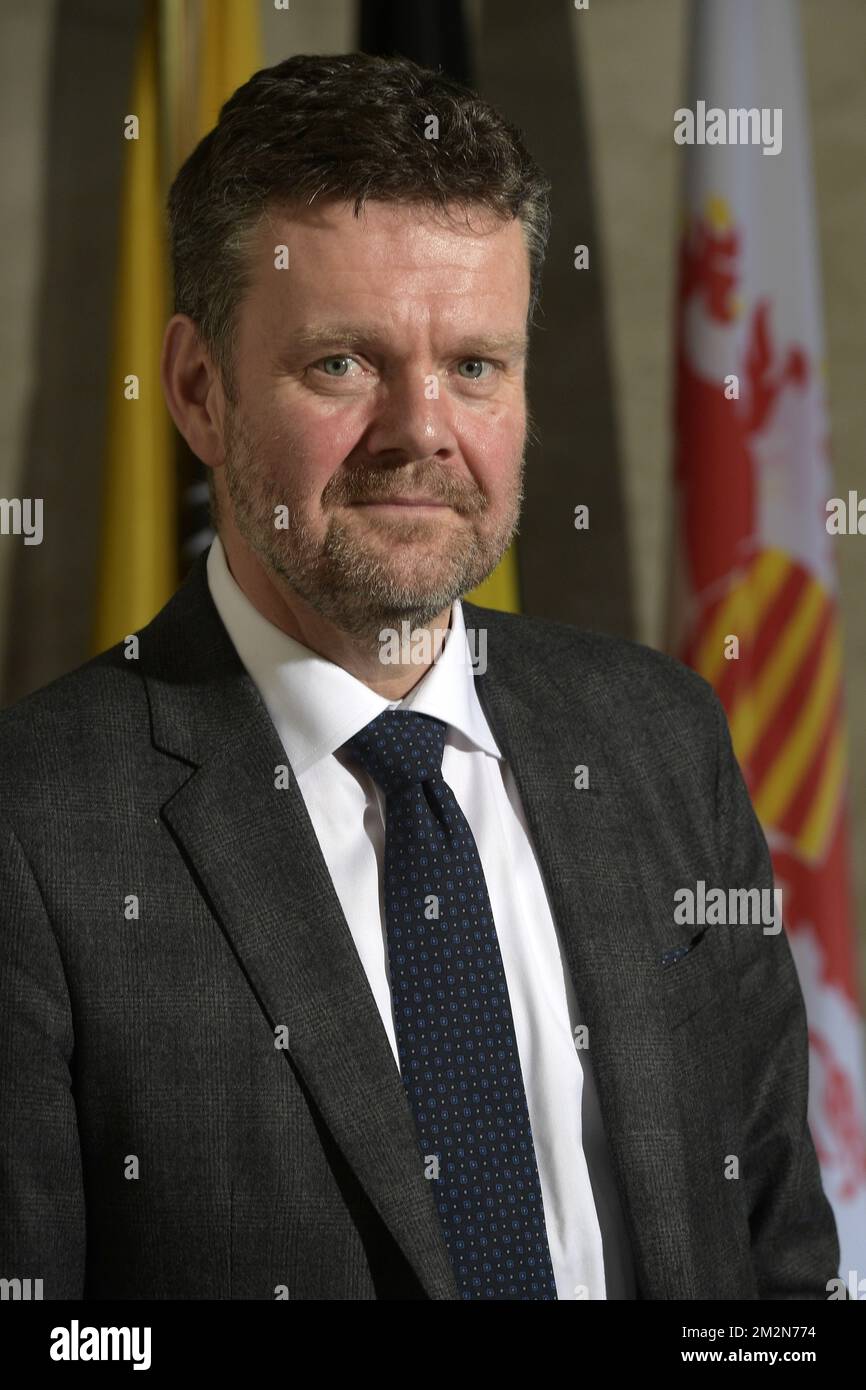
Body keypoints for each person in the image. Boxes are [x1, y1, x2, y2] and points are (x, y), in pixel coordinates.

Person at [0, 52, 839, 1301]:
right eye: (341, 363)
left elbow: (777, 1259)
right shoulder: (37, 828)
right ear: (198, 389)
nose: (421, 430)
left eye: (474, 365)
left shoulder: (660, 735)